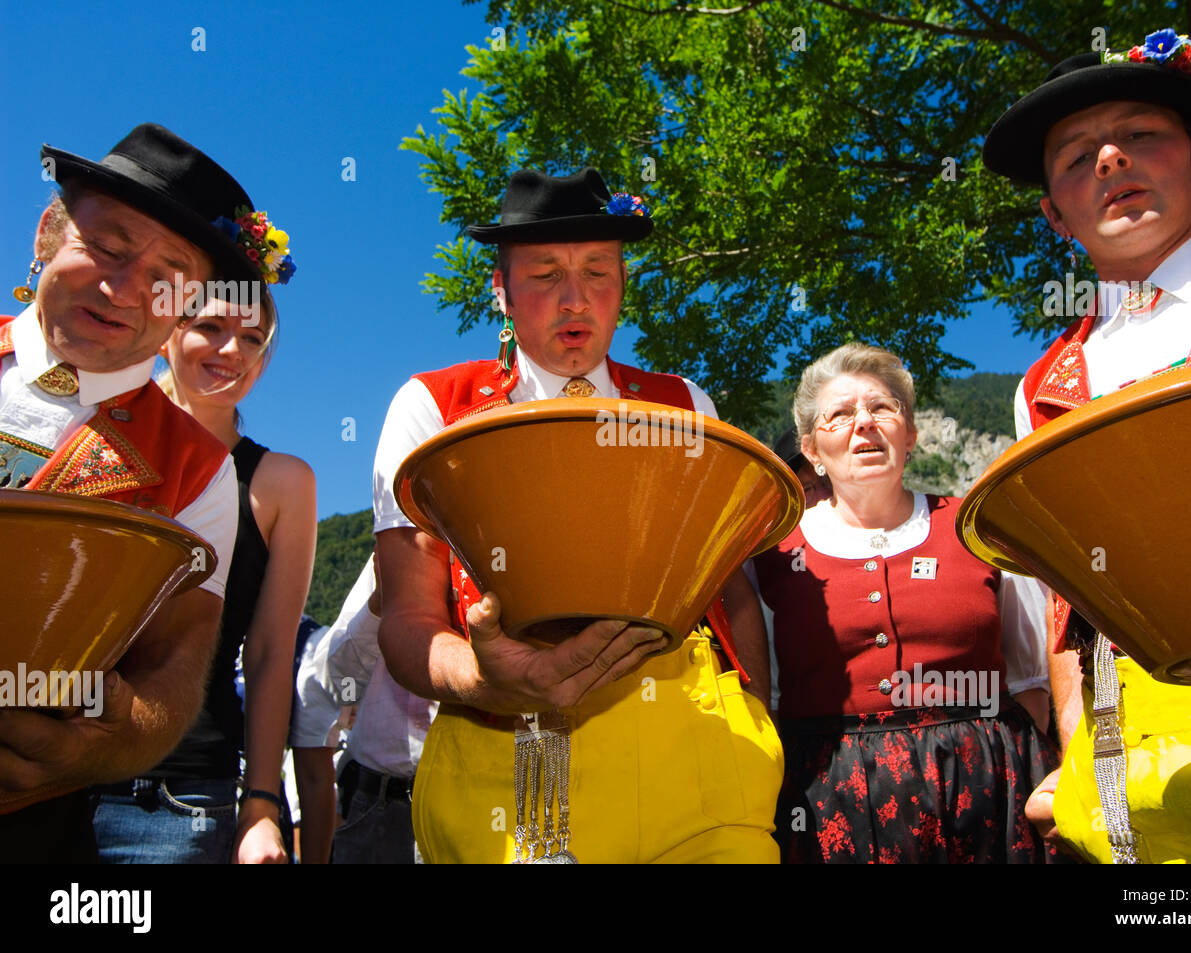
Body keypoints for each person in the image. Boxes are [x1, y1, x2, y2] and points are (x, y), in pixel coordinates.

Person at [374, 167, 782, 863]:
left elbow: (732, 591)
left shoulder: (685, 403)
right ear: (499, 290)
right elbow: (408, 618)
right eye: (543, 274)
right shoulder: (432, 408)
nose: (575, 298)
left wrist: (758, 730)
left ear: (623, 283)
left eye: (598, 270)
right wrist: (485, 680)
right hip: (517, 737)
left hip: (688, 735)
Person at [983, 28, 1191, 862]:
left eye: (1139, 135)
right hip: (1146, 754)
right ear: (1055, 214)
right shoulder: (1046, 384)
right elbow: (1061, 602)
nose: (1112, 160)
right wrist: (1072, 749)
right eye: (1079, 156)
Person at [0, 123, 263, 862]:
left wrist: (97, 747)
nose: (124, 290)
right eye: (108, 248)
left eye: (168, 278)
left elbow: (173, 671)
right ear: (49, 233)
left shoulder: (201, 472)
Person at [751, 343, 1055, 863]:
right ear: (812, 450)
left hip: (987, 790)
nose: (863, 423)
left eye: (882, 408)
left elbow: (1032, 678)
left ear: (910, 435)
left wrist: (1011, 771)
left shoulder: (982, 527)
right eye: (840, 414)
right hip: (828, 800)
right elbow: (765, 693)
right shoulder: (769, 553)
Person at [90, 283, 314, 864]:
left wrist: (262, 804)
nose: (232, 349)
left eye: (252, 339)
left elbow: (269, 653)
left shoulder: (282, 482)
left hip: (181, 795)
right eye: (211, 327)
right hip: (47, 776)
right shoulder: (92, 443)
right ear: (169, 334)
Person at [293, 554, 435, 864]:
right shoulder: (394, 546)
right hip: (374, 808)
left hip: (475, 804)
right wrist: (380, 602)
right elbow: (338, 679)